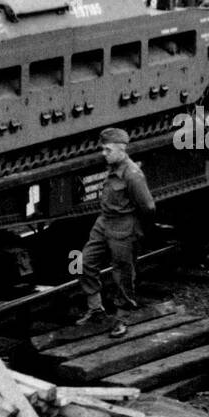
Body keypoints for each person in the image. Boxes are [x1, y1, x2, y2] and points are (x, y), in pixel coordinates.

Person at [78, 127, 156, 338]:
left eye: (107, 149)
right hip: (104, 222)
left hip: (123, 226)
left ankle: (122, 318)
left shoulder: (132, 174)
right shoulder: (113, 168)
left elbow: (148, 207)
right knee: (83, 262)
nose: (104, 153)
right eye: (103, 149)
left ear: (121, 150)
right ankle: (95, 309)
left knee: (122, 273)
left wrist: (134, 226)